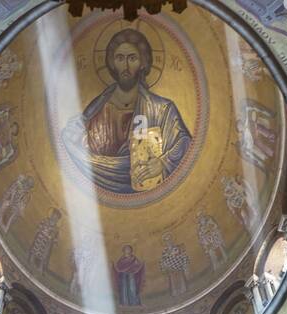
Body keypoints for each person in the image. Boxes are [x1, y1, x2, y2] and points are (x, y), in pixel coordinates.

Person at [61, 28, 191, 195]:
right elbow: (79, 148)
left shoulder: (162, 109)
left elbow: (185, 143)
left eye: (132, 58)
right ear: (112, 62)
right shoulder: (96, 109)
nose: (126, 66)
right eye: (120, 58)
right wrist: (70, 137)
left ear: (143, 62)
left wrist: (163, 163)